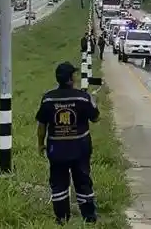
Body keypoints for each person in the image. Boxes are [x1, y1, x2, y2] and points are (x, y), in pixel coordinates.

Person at [35, 62, 99, 224]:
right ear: (71, 79)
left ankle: (62, 219)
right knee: (83, 181)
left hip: (56, 150)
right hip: (80, 148)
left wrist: (40, 144)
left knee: (58, 183)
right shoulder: (83, 98)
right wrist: (94, 101)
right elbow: (96, 118)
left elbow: (42, 125)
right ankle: (89, 218)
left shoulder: (48, 98)